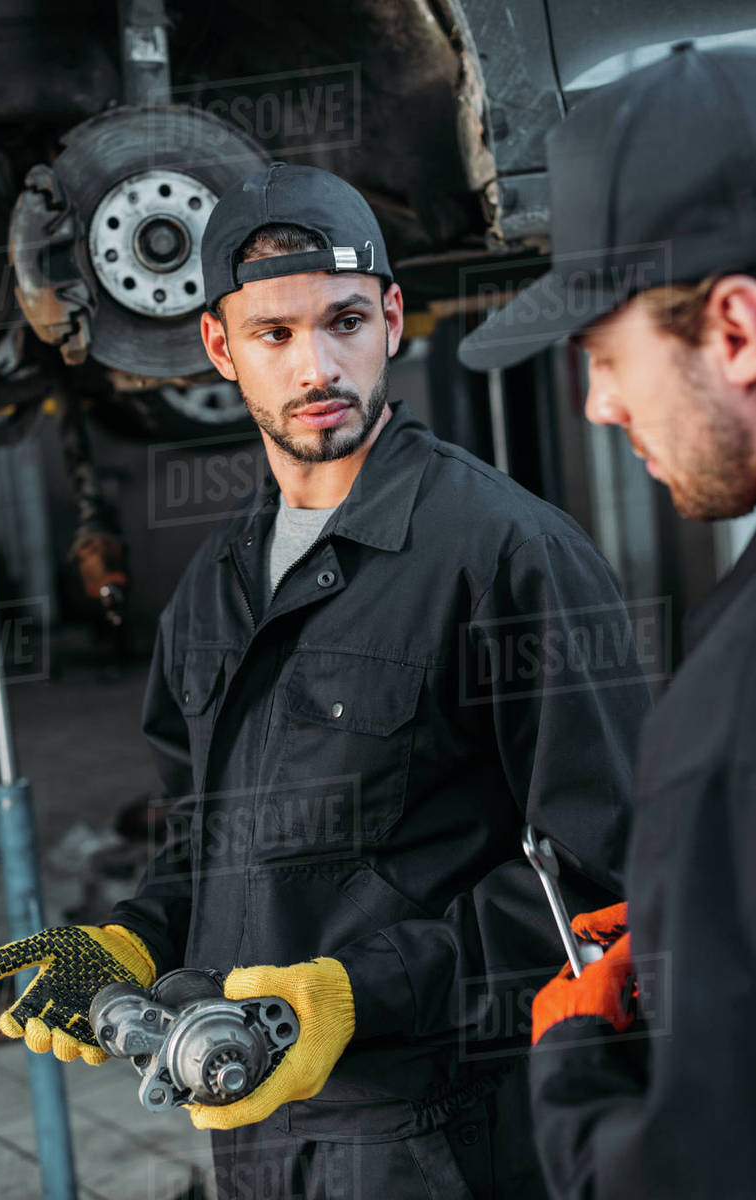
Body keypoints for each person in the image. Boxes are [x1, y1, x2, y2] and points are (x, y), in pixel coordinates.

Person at [0, 162, 651, 1199]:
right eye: (274, 335)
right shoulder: (218, 582)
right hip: (250, 1129)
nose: (316, 366)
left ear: (391, 317)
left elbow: (604, 890)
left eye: (343, 322)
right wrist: (133, 939)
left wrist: (349, 996)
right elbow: (202, 838)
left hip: (437, 1137)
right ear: (219, 349)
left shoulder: (505, 552)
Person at [459, 40, 756, 1200]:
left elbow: (689, 1175)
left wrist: (574, 1062)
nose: (594, 402)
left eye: (606, 352)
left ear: (735, 329)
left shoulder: (729, 709)